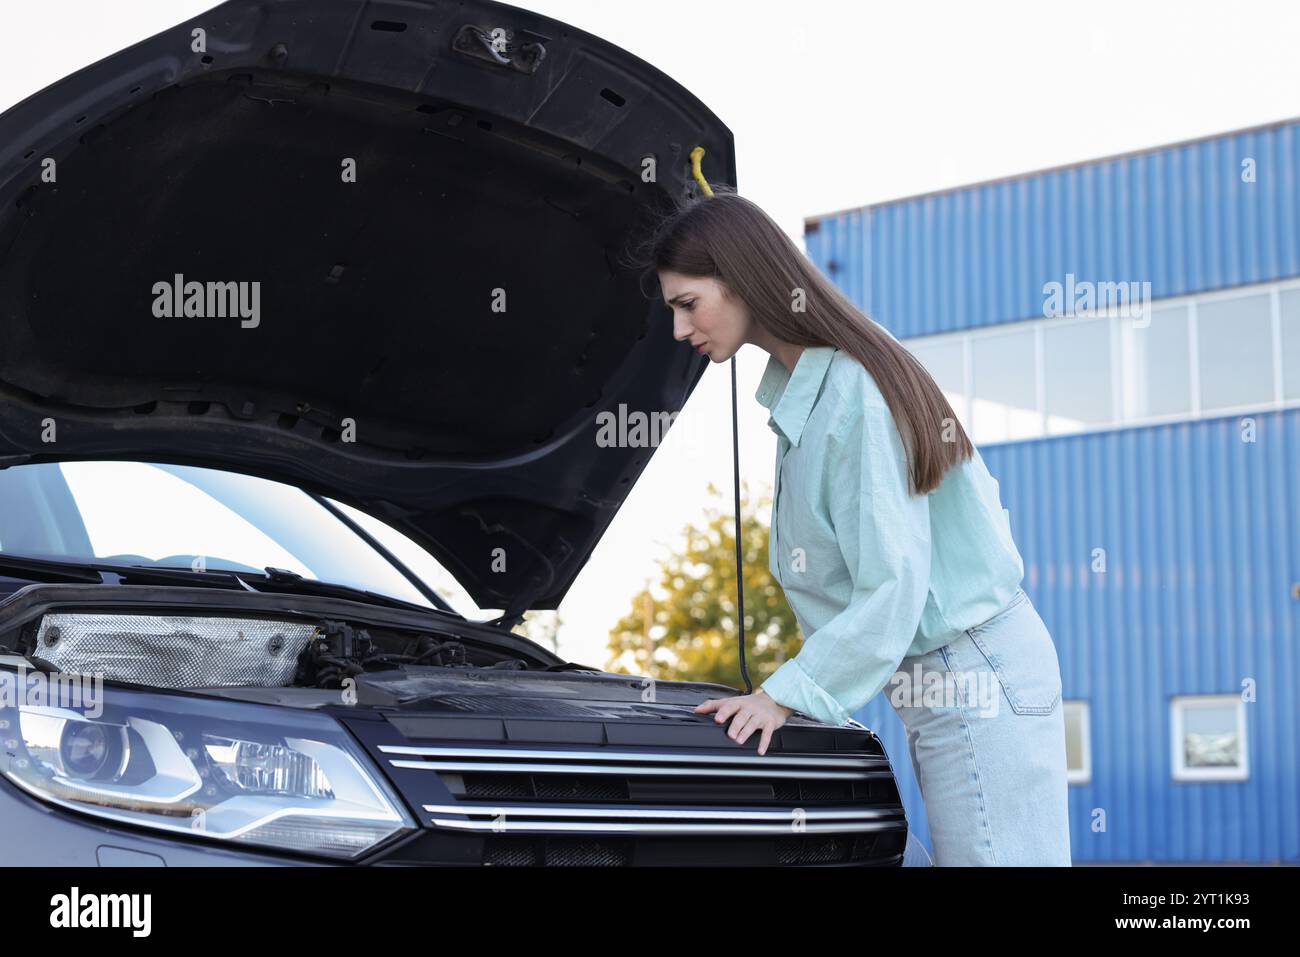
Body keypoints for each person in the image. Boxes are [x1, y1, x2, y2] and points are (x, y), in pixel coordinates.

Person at [629, 185, 1071, 866]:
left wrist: (783, 695)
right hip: (953, 674)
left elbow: (892, 583)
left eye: (688, 304)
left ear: (742, 278)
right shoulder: (812, 386)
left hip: (973, 671)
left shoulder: (850, 392)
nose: (681, 330)